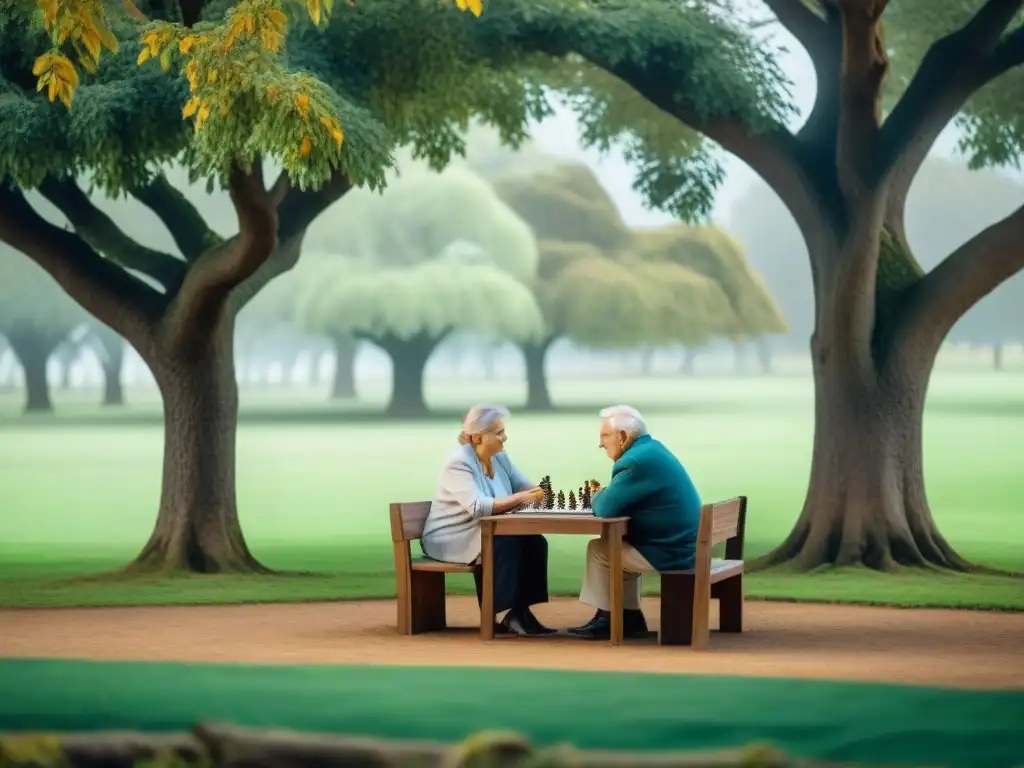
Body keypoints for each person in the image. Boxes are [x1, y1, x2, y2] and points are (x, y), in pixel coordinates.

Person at [569, 405, 702, 640]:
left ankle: (607, 618)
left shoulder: (634, 462)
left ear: (622, 436)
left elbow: (605, 509)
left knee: (599, 550)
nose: (600, 444)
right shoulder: (651, 449)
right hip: (684, 544)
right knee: (613, 543)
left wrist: (597, 494)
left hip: (671, 551)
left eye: (604, 436)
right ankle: (629, 617)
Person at [421, 404, 555, 636]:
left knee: (534, 541)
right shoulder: (459, 463)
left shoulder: (500, 458)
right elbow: (477, 507)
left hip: (483, 531)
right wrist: (521, 497)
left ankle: (520, 612)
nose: (505, 437)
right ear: (476, 437)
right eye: (498, 432)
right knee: (505, 543)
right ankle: (504, 613)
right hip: (452, 537)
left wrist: (539, 492)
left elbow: (523, 486)